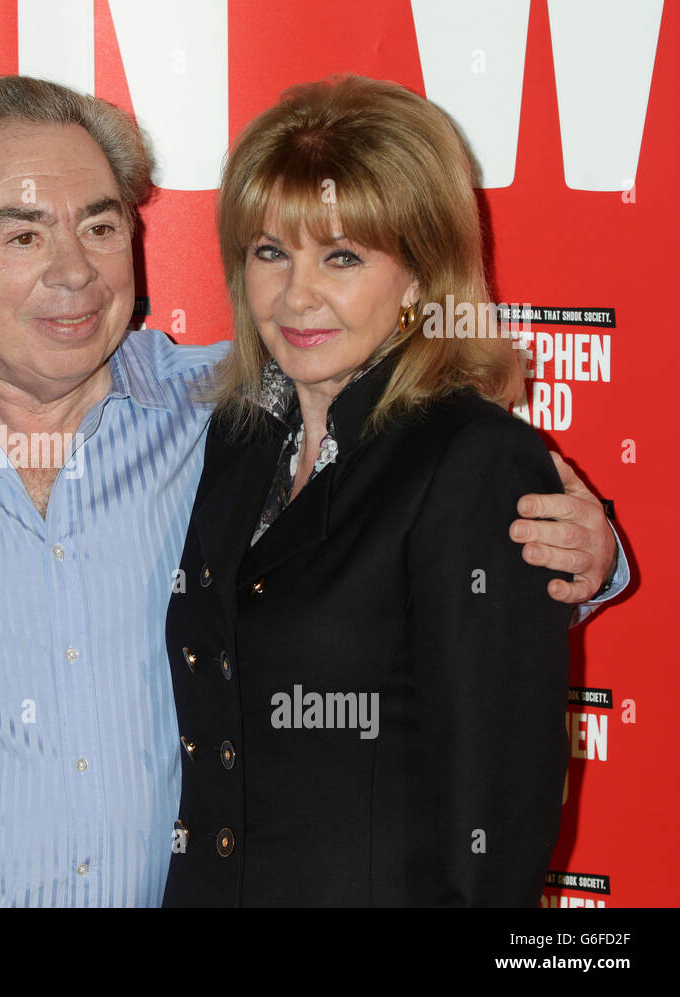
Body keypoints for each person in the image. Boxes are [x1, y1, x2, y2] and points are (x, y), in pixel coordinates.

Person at [0, 75, 625, 907]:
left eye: (100, 224)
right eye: (22, 236)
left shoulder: (217, 412)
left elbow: (453, 602)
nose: (73, 272)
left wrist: (593, 550)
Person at [163, 76, 577, 906]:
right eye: (270, 251)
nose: (296, 294)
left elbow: (494, 817)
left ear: (421, 276)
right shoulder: (241, 438)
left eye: (342, 256)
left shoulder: (474, 461)